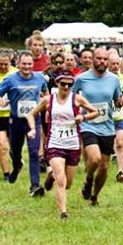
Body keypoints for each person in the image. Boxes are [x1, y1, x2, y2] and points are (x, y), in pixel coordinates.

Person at [26, 70, 98, 219]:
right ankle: (63, 213)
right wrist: (33, 129)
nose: (66, 87)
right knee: (61, 179)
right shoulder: (48, 100)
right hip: (54, 143)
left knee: (68, 183)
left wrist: (82, 117)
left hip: (72, 144)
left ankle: (50, 176)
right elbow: (31, 114)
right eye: (63, 84)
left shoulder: (76, 99)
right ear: (57, 83)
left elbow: (95, 112)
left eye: (69, 84)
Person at [73, 47, 123, 206]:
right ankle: (88, 180)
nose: (102, 62)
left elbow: (117, 99)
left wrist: (120, 101)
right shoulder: (82, 79)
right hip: (89, 124)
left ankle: (94, 196)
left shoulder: (114, 79)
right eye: (99, 58)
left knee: (104, 166)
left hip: (107, 126)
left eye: (105, 59)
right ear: (92, 59)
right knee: (94, 159)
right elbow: (71, 97)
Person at [0, 52, 48, 195]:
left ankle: (35, 186)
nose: (27, 67)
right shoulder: (10, 79)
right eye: (24, 64)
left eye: (29, 64)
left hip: (33, 121)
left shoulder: (40, 78)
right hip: (16, 121)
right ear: (18, 64)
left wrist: (47, 104)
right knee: (16, 152)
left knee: (34, 152)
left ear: (33, 64)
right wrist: (0, 101)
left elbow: (45, 93)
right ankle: (17, 166)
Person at [108, 51, 123, 182]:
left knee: (120, 142)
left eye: (117, 63)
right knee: (106, 145)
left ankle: (120, 171)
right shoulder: (102, 79)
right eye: (112, 64)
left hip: (121, 116)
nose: (115, 66)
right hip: (106, 117)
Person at [0, 50, 16, 180]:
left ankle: (16, 158)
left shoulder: (15, 73)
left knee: (13, 146)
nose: (3, 67)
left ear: (10, 62)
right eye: (0, 64)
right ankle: (6, 175)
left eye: (5, 64)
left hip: (12, 115)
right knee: (2, 145)